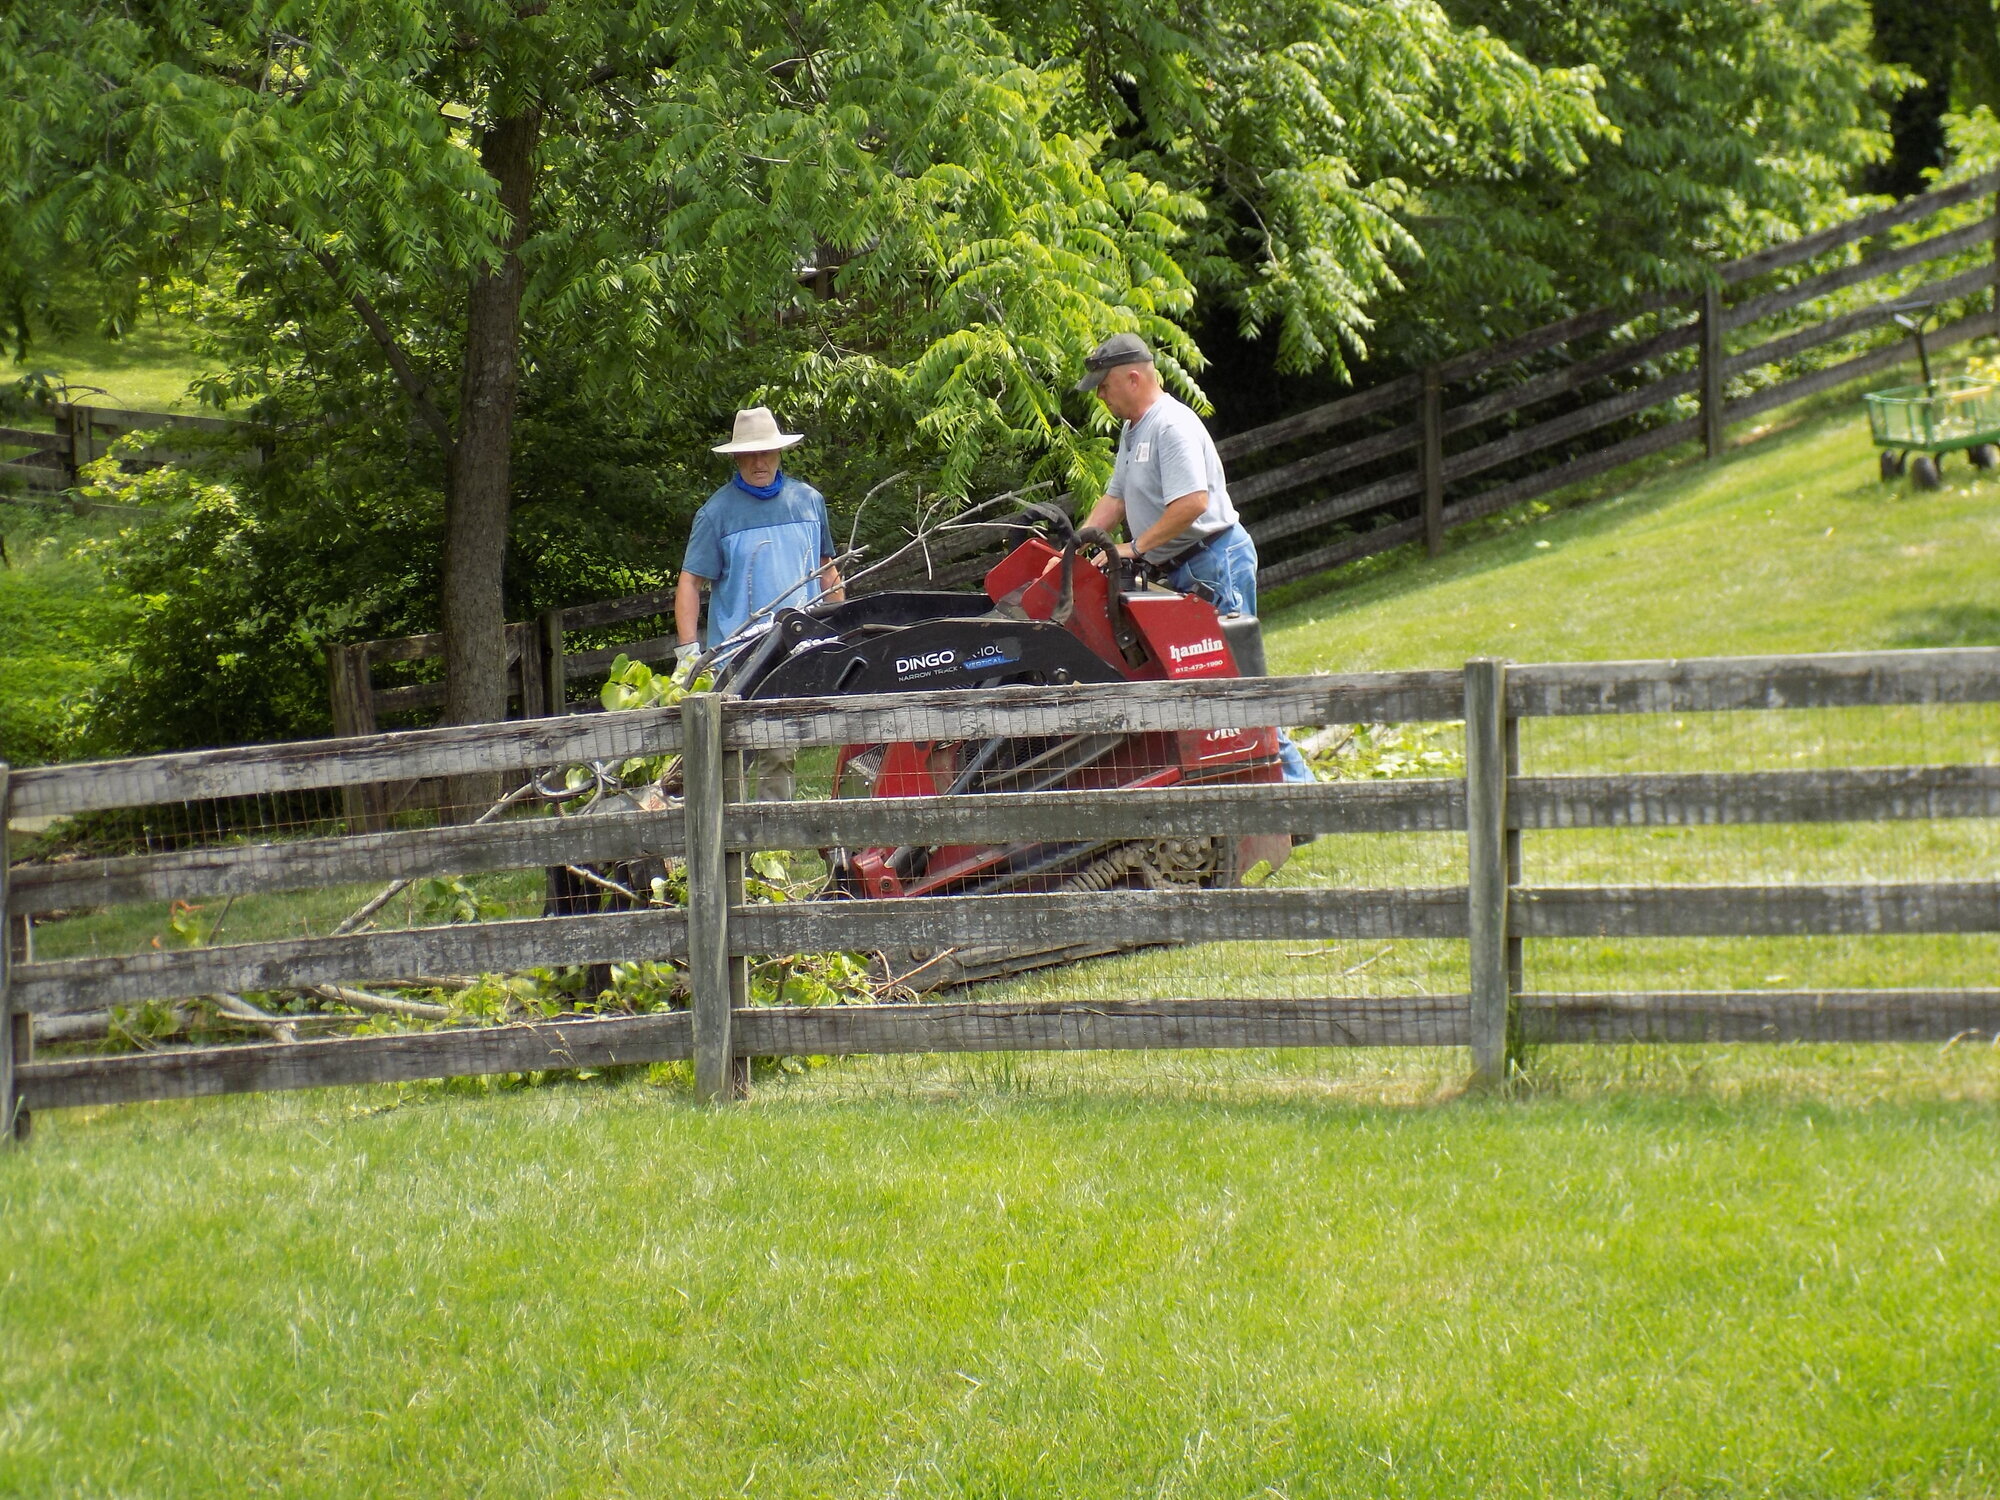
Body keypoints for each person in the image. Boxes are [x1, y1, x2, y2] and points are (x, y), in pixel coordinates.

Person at [1075, 333, 1313, 783]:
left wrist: (1135, 548)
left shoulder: (1171, 425)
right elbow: (1116, 497)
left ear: (1132, 378)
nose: (1100, 396)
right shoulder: (1133, 430)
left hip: (1213, 562)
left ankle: (1300, 802)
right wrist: (1078, 547)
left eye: (1103, 386)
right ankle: (1265, 795)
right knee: (1214, 690)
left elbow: (1192, 504)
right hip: (1187, 568)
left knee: (1237, 686)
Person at [675, 406, 844, 800]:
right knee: (728, 755)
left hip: (794, 648)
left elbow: (826, 566)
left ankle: (772, 843)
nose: (759, 461)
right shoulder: (716, 514)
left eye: (765, 452)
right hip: (736, 655)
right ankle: (727, 847)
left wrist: (840, 624)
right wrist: (687, 652)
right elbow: (690, 581)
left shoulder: (808, 501)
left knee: (780, 750)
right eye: (749, 454)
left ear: (779, 452)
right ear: (735, 458)